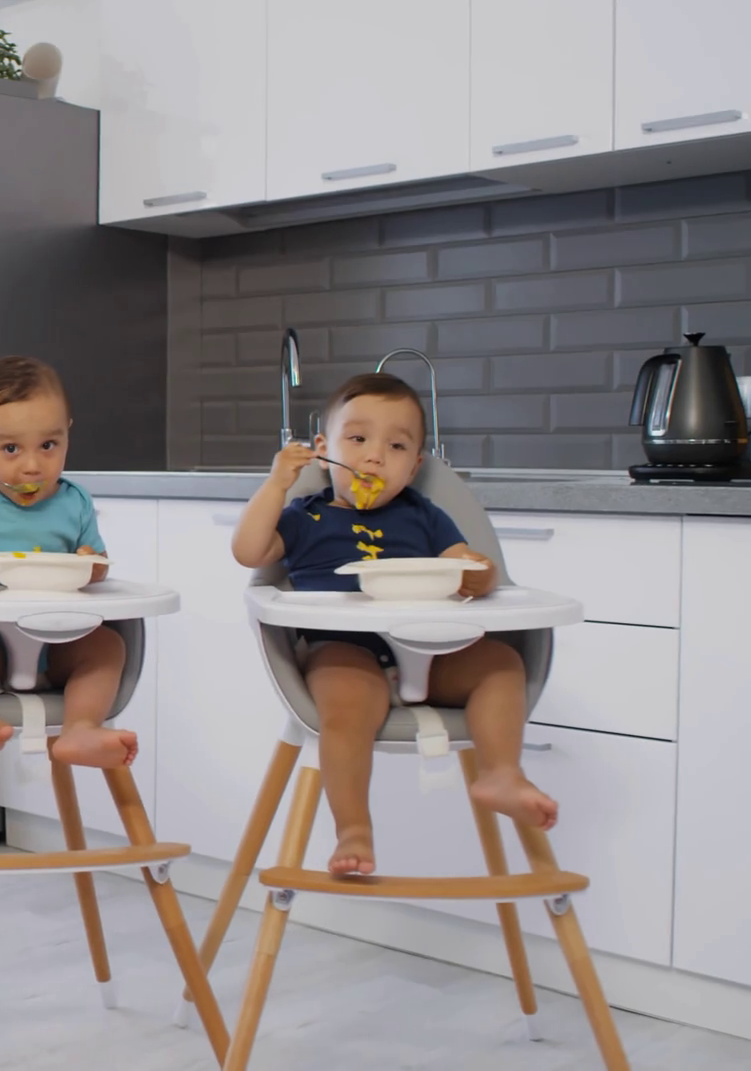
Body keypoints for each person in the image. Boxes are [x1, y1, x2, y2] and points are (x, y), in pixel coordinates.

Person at [229, 372, 557, 877]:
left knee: (500, 664)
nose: (375, 457)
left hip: (435, 651)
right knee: (343, 709)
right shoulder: (305, 517)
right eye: (357, 440)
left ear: (415, 465)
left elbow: (469, 561)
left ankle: (501, 773)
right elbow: (249, 551)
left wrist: (478, 574)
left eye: (397, 445)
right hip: (345, 650)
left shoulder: (422, 515)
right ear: (324, 448)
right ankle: (354, 827)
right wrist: (276, 483)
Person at [0, 356, 130, 768]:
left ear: (67, 434)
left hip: (58, 639)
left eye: (48, 446)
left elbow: (97, 565)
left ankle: (82, 728)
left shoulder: (74, 500)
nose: (32, 465)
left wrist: (92, 562)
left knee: (107, 647)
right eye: (11, 448)